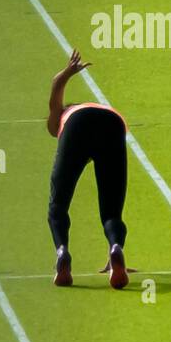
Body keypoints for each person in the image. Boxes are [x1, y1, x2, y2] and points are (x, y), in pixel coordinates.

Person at [46, 51, 129, 290]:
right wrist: (70, 71)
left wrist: (67, 73)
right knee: (112, 211)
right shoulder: (92, 108)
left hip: (77, 127)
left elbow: (55, 85)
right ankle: (116, 249)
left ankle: (62, 252)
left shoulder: (62, 118)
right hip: (114, 123)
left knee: (57, 205)